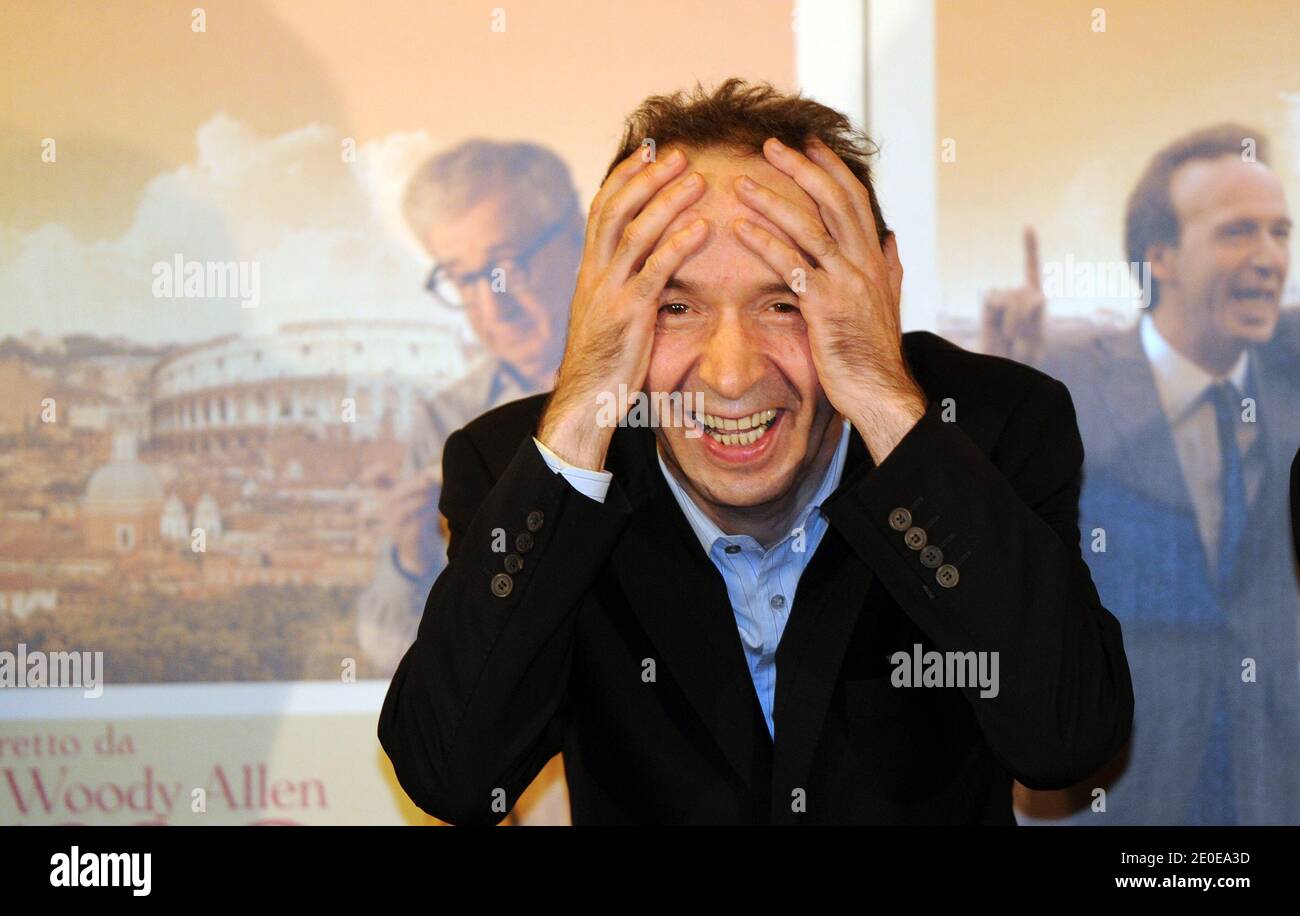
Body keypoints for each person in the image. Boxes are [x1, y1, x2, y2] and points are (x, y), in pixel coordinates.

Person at [379, 80, 1133, 825]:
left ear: (881, 283)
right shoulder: (528, 466)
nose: (732, 374)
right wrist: (582, 407)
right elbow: (454, 776)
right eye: (675, 306)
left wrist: (879, 396)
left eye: (786, 302)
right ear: (602, 301)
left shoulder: (992, 429)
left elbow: (1064, 740)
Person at [984, 124, 1300, 824]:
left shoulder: (1291, 375)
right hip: (1121, 795)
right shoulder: (1065, 389)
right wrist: (1001, 389)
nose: (1270, 257)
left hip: (1273, 788)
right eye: (1237, 232)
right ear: (1162, 257)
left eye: (1281, 232)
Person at [356, 140, 583, 677]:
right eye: (464, 279)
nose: (491, 305)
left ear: (578, 238)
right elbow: (391, 658)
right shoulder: (448, 424)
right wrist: (411, 559)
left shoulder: (671, 385)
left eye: (506, 266)